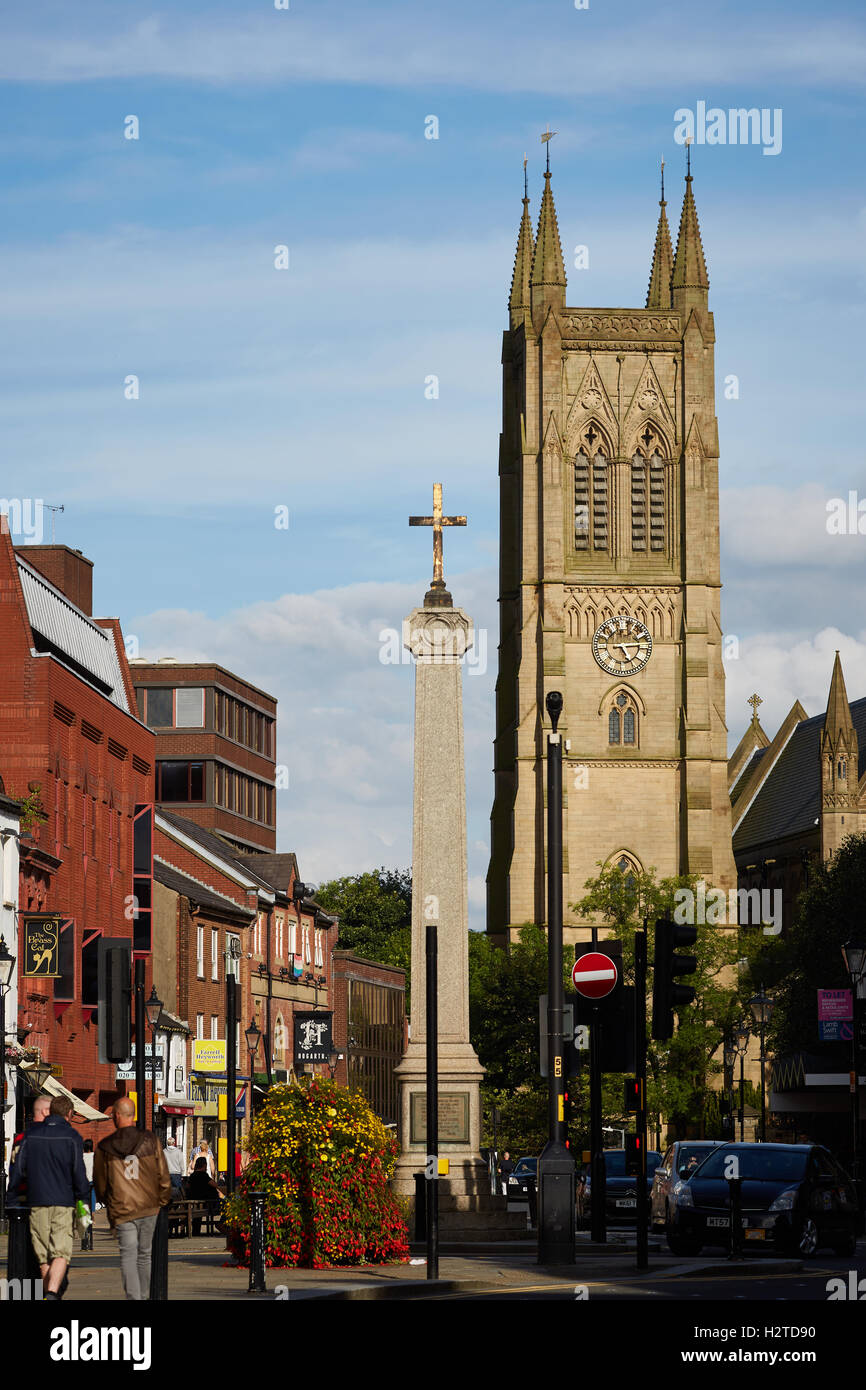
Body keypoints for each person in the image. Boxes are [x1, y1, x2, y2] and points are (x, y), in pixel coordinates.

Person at [7, 1095, 89, 1301]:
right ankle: (52, 1294)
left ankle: (49, 1293)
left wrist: (12, 1196)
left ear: (49, 1111)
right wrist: (84, 1199)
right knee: (61, 1252)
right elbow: (79, 1173)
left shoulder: (31, 1136)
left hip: (36, 1201)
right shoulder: (72, 1137)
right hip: (63, 1201)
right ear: (69, 1113)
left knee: (43, 1254)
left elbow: (18, 1170)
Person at [93, 1098, 172, 1301]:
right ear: (133, 1115)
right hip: (148, 1206)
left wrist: (106, 1201)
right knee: (144, 1254)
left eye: (112, 1115)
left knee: (128, 1254)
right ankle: (143, 1296)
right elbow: (163, 1175)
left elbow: (100, 1182)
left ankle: (133, 1297)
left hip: (122, 1207)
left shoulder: (105, 1146)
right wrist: (161, 1200)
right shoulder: (151, 1140)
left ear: (118, 1116)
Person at [183, 1156, 223, 1236]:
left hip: (195, 1202)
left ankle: (195, 1231)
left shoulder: (192, 1176)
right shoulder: (204, 1175)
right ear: (204, 1165)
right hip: (206, 1203)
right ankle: (222, 1224)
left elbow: (187, 1187)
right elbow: (215, 1184)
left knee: (197, 1214)